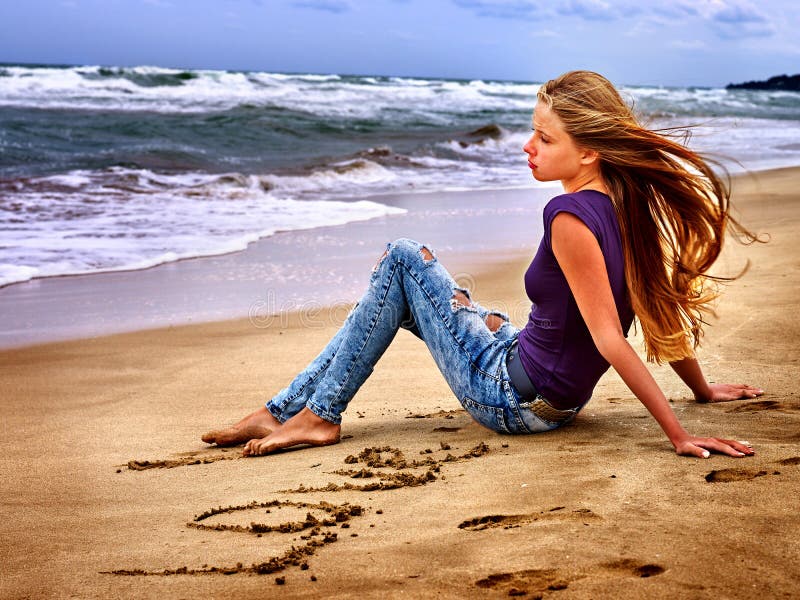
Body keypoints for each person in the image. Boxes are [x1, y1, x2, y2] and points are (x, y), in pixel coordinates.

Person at [202, 70, 763, 459]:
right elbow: (655, 304)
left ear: (589, 151)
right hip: (531, 374)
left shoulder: (569, 216)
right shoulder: (623, 205)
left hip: (513, 401)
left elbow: (612, 339)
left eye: (545, 138)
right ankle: (286, 410)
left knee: (402, 256)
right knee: (410, 280)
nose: (528, 146)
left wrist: (678, 434)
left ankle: (316, 414)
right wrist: (702, 389)